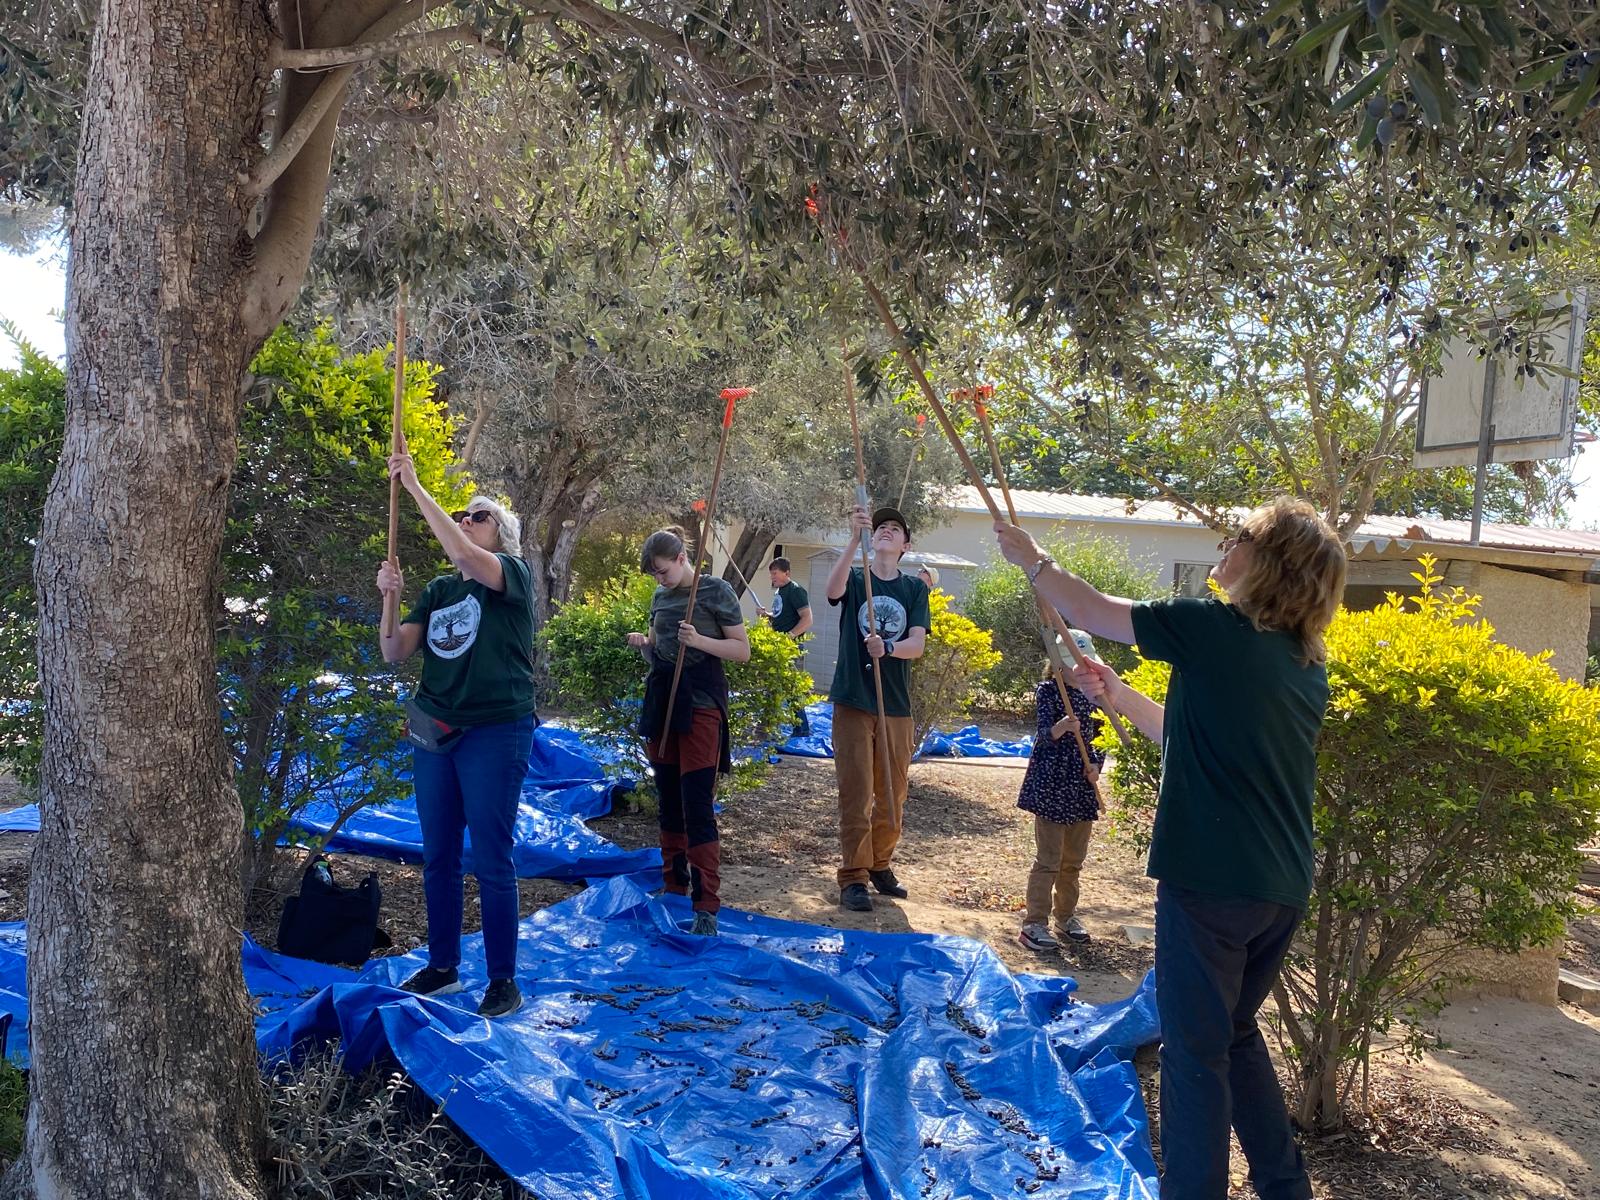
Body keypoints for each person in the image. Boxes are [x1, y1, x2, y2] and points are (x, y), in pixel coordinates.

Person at [994, 497, 1345, 1200]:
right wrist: (1117, 693)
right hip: (1278, 887)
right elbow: (1186, 735)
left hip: (1210, 880)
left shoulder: (1212, 627)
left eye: (1239, 537)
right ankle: (1284, 1187)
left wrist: (1032, 561)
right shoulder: (1299, 663)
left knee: (1192, 1054)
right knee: (1233, 1034)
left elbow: (1092, 611)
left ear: (1269, 563)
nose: (1225, 546)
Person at [376, 445, 536, 1020]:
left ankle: (502, 980)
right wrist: (390, 599)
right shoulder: (441, 591)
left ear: (503, 536)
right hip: (434, 728)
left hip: (495, 729)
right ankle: (443, 965)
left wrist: (416, 487)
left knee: (492, 857)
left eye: (479, 515)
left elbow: (466, 555)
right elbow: (394, 650)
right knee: (438, 855)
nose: (467, 520)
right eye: (463, 514)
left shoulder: (513, 575)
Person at [627, 527, 750, 936]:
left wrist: (698, 640)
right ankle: (674, 888)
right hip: (662, 702)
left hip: (700, 705)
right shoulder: (659, 597)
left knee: (696, 803)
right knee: (668, 801)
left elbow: (742, 651)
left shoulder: (715, 591)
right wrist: (644, 645)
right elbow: (659, 652)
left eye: (663, 571)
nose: (659, 580)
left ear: (682, 558)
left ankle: (706, 905)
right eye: (654, 574)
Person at [826, 505, 930, 913]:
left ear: (906, 545)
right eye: (881, 526)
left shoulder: (914, 589)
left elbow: (916, 645)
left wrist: (887, 646)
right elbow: (832, 591)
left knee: (892, 793)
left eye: (895, 529)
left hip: (895, 706)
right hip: (854, 699)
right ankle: (853, 876)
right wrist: (855, 539)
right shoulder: (857, 580)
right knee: (856, 792)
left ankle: (879, 864)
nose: (886, 530)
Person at [1016, 630, 1106, 952]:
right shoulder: (1049, 692)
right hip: (1052, 784)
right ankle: (1034, 923)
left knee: (1073, 861)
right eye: (1072, 663)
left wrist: (1095, 766)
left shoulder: (1094, 697)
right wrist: (1062, 727)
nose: (1079, 669)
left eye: (1084, 663)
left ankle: (1065, 917)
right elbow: (1043, 734)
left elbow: (1100, 740)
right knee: (1049, 859)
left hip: (1080, 787)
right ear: (1056, 665)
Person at [762, 556, 813, 735]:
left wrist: (790, 637)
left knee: (789, 688)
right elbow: (780, 616)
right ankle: (767, 726)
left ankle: (801, 728)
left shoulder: (796, 591)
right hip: (778, 646)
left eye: (775, 573)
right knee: (773, 686)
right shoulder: (779, 592)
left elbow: (807, 619)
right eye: (771, 574)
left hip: (789, 647)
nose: (772, 577)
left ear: (787, 573)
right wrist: (767, 615)